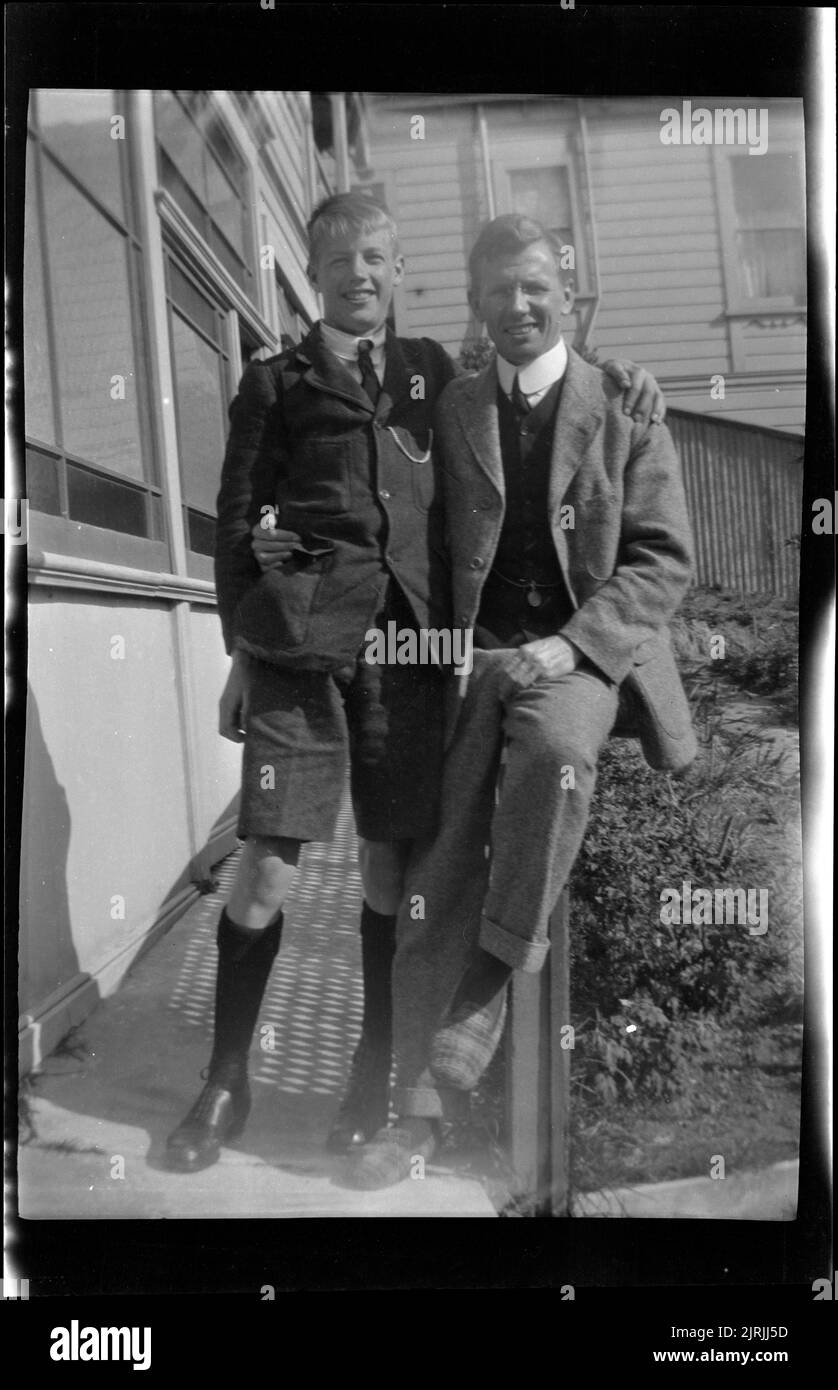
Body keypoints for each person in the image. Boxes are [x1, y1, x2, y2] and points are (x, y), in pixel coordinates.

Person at [164, 194, 665, 1173]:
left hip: (407, 655)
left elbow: (545, 387)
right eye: (342, 258)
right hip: (297, 654)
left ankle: (372, 1066)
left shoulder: (432, 374)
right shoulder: (274, 383)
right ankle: (226, 1077)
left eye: (380, 257)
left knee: (394, 869)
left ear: (399, 272)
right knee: (268, 864)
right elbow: (235, 528)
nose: (361, 272)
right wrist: (237, 654)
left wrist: (630, 379)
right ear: (315, 272)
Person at [346, 213, 697, 1189]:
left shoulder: (625, 405)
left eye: (534, 285)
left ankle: (469, 1015)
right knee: (435, 849)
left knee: (552, 760)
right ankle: (415, 1114)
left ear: (567, 288)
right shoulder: (453, 409)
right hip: (471, 658)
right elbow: (395, 519)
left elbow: (665, 559)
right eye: (497, 291)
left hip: (580, 657)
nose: (518, 306)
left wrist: (568, 644)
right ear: (476, 304)